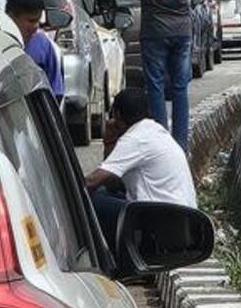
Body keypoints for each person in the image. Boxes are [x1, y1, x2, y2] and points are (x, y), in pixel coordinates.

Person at [129, 0, 203, 150]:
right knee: (180, 86)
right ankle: (181, 142)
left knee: (156, 85)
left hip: (154, 30)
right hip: (182, 29)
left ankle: (161, 140)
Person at [85, 88, 198, 244]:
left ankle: (111, 258)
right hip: (183, 219)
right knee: (104, 193)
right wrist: (109, 141)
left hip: (163, 218)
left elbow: (92, 181)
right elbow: (112, 184)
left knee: (91, 200)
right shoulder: (154, 131)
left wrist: (64, 196)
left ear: (117, 115)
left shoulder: (135, 138)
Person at [5, 0, 63, 100]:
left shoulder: (43, 44)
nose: (36, 26)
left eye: (38, 21)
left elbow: (55, 92)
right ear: (11, 18)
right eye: (31, 21)